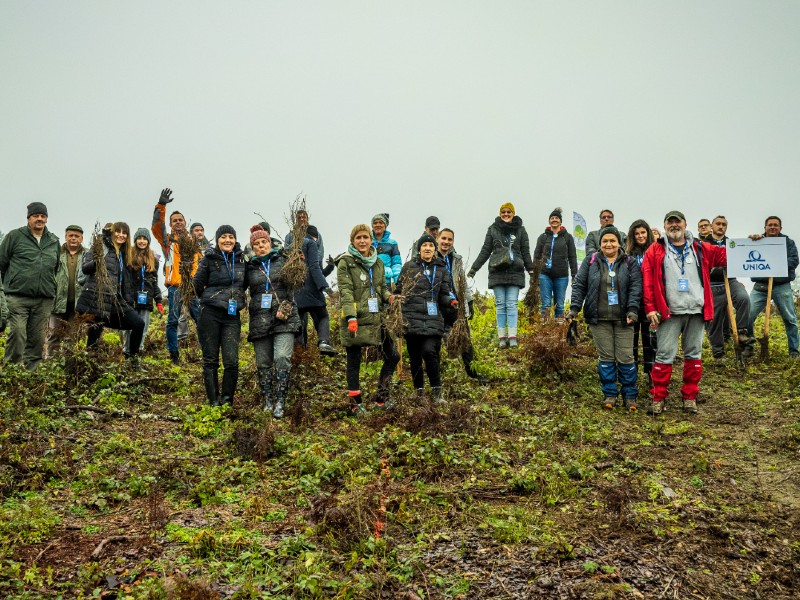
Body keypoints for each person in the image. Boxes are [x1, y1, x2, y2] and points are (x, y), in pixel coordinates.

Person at [642, 210, 727, 414]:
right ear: (665, 226)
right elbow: (647, 281)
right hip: (669, 312)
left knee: (694, 355)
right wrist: (650, 308)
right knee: (664, 355)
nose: (674, 225)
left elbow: (726, 255)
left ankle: (690, 397)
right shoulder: (655, 249)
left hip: (696, 310)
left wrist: (752, 242)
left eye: (677, 222)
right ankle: (658, 398)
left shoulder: (700, 247)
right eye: (670, 222)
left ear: (685, 224)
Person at [568, 227, 642, 409]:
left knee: (626, 357)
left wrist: (633, 310)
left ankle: (629, 395)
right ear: (600, 244)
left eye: (612, 241)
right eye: (605, 241)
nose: (609, 244)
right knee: (606, 357)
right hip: (599, 318)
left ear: (619, 243)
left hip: (624, 318)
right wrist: (574, 308)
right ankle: (610, 394)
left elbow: (635, 288)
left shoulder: (630, 262)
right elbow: (579, 285)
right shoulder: (591, 261)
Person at [336, 224, 400, 415]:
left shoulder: (378, 263)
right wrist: (351, 317)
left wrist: (390, 297)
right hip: (355, 317)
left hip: (376, 318)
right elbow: (346, 291)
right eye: (358, 238)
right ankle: (356, 405)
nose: (362, 241)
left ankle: (381, 398)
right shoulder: (346, 262)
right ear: (352, 241)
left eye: (365, 237)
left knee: (393, 355)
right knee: (354, 360)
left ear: (371, 240)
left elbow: (381, 289)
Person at [246, 225, 301, 418]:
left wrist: (298, 264)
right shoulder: (249, 267)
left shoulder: (284, 260)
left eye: (264, 242)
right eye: (257, 243)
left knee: (282, 357)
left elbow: (299, 281)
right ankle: (267, 401)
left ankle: (280, 401)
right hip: (259, 319)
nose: (261, 246)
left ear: (270, 243)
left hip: (284, 317)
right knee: (263, 362)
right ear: (252, 247)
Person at [398, 234, 458, 403]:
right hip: (412, 317)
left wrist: (450, 301)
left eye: (431, 246)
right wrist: (395, 301)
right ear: (419, 249)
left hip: (433, 318)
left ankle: (437, 392)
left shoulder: (441, 269)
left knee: (429, 352)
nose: (427, 248)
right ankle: (419, 392)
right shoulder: (408, 267)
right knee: (415, 356)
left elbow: (444, 293)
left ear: (434, 249)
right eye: (424, 245)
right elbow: (399, 290)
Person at [0, 202, 60, 369]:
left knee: (37, 339)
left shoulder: (53, 241)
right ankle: (11, 370)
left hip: (43, 299)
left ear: (46, 218)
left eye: (42, 216)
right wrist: (9, 284)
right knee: (18, 333)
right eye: (35, 216)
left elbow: (55, 268)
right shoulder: (14, 236)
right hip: (17, 297)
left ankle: (30, 373)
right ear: (28, 218)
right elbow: (2, 263)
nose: (39, 219)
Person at [193, 225, 247, 407]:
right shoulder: (208, 259)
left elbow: (246, 283)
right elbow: (196, 285)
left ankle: (227, 400)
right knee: (211, 360)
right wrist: (211, 298)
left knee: (231, 360)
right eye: (223, 237)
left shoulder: (242, 259)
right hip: (210, 313)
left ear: (235, 239)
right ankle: (214, 401)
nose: (227, 240)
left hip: (231, 315)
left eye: (231, 236)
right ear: (217, 240)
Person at [468, 202, 534, 348]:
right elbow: (485, 251)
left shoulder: (521, 230)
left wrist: (531, 269)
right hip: (497, 271)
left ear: (513, 214)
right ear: (500, 214)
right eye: (503, 212)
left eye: (508, 212)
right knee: (500, 304)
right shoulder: (492, 229)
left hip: (515, 271)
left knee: (511, 304)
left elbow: (525, 251)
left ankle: (512, 337)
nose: (506, 214)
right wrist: (474, 269)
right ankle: (502, 338)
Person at [76, 223, 145, 359]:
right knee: (94, 337)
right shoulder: (100, 246)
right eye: (118, 232)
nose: (121, 235)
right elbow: (85, 268)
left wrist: (128, 301)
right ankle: (89, 366)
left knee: (138, 323)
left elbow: (126, 281)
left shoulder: (125, 253)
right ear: (112, 232)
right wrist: (98, 261)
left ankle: (133, 361)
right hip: (97, 298)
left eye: (124, 233)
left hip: (115, 300)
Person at [151, 187, 200, 365]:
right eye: (175, 220)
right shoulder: (167, 241)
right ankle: (174, 355)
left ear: (185, 223)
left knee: (200, 319)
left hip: (192, 287)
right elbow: (157, 226)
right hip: (175, 286)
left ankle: (206, 352)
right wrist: (161, 205)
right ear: (171, 224)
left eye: (180, 220)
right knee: (173, 321)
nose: (178, 222)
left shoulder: (194, 242)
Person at [438, 228, 485, 383]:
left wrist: (469, 301)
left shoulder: (456, 259)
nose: (446, 242)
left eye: (449, 239)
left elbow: (462, 280)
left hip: (456, 304)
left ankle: (473, 373)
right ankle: (436, 377)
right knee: (435, 342)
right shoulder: (432, 258)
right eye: (444, 238)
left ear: (453, 242)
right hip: (438, 305)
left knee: (465, 339)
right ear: (438, 239)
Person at [747, 216, 799, 358]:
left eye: (776, 225)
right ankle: (749, 346)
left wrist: (776, 264)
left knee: (790, 319)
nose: (772, 227)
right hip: (760, 286)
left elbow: (794, 260)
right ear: (765, 227)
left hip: (781, 285)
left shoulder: (788, 243)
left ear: (780, 228)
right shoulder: (757, 241)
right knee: (747, 316)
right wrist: (749, 241)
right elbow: (745, 255)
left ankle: (794, 351)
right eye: (770, 225)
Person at [706, 216, 754, 359]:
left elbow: (744, 254)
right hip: (712, 283)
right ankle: (718, 352)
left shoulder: (732, 244)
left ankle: (741, 331)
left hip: (731, 280)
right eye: (718, 224)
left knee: (743, 298)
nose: (721, 226)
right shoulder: (703, 243)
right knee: (715, 319)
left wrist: (753, 241)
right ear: (711, 226)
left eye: (724, 224)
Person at [290, 224, 336, 356]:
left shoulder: (293, 246)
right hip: (312, 290)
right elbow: (314, 268)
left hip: (296, 292)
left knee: (298, 321)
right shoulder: (311, 243)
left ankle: (299, 351)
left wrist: (330, 267)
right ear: (316, 236)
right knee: (322, 316)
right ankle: (323, 342)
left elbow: (317, 272)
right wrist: (325, 287)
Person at [121, 229, 164, 354]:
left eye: (144, 239)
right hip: (130, 299)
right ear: (135, 240)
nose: (142, 241)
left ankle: (138, 351)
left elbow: (154, 282)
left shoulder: (154, 260)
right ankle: (127, 351)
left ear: (148, 241)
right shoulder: (128, 256)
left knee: (143, 326)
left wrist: (159, 300)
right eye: (139, 238)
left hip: (146, 299)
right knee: (128, 327)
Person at [46, 225, 86, 358]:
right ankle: (51, 363)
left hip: (77, 304)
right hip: (57, 301)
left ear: (81, 238)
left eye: (77, 236)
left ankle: (68, 364)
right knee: (53, 334)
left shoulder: (87, 254)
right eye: (70, 235)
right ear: (65, 237)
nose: (73, 238)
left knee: (73, 337)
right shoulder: (56, 253)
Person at [625, 219, 657, 383]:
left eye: (643, 232)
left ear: (648, 233)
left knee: (650, 340)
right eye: (637, 233)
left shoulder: (656, 251)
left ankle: (652, 374)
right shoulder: (627, 254)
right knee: (631, 340)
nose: (640, 236)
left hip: (650, 301)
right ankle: (632, 374)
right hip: (632, 301)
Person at [533, 208, 578, 323]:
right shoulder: (543, 237)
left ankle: (559, 328)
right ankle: (545, 327)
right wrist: (535, 275)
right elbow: (537, 256)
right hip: (545, 275)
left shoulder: (567, 237)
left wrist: (574, 276)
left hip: (561, 276)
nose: (554, 220)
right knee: (546, 304)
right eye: (552, 218)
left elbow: (572, 257)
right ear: (549, 221)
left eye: (557, 218)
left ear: (560, 221)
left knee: (560, 305)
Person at [371, 214, 402, 288]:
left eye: (381, 223)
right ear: (372, 226)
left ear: (385, 226)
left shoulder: (392, 243)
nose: (378, 225)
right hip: (369, 281)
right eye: (375, 223)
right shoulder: (367, 242)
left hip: (386, 282)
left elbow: (396, 264)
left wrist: (398, 283)